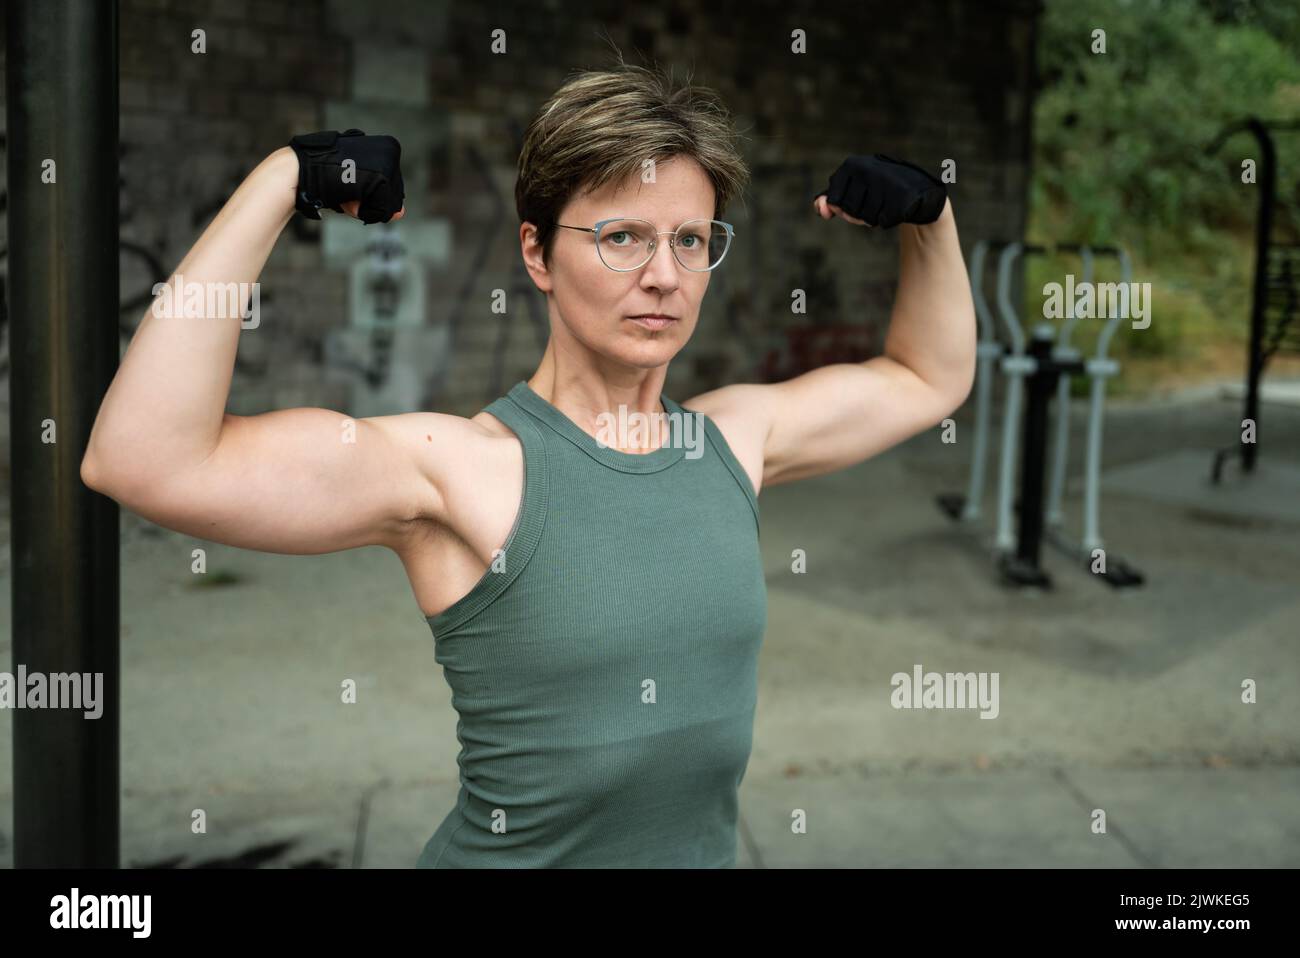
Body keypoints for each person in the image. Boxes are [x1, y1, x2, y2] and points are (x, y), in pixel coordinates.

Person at [80, 61, 975, 868]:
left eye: (690, 241)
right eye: (622, 237)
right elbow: (145, 460)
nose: (664, 274)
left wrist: (931, 218)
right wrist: (284, 179)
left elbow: (928, 377)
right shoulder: (456, 469)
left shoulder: (731, 440)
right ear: (538, 254)